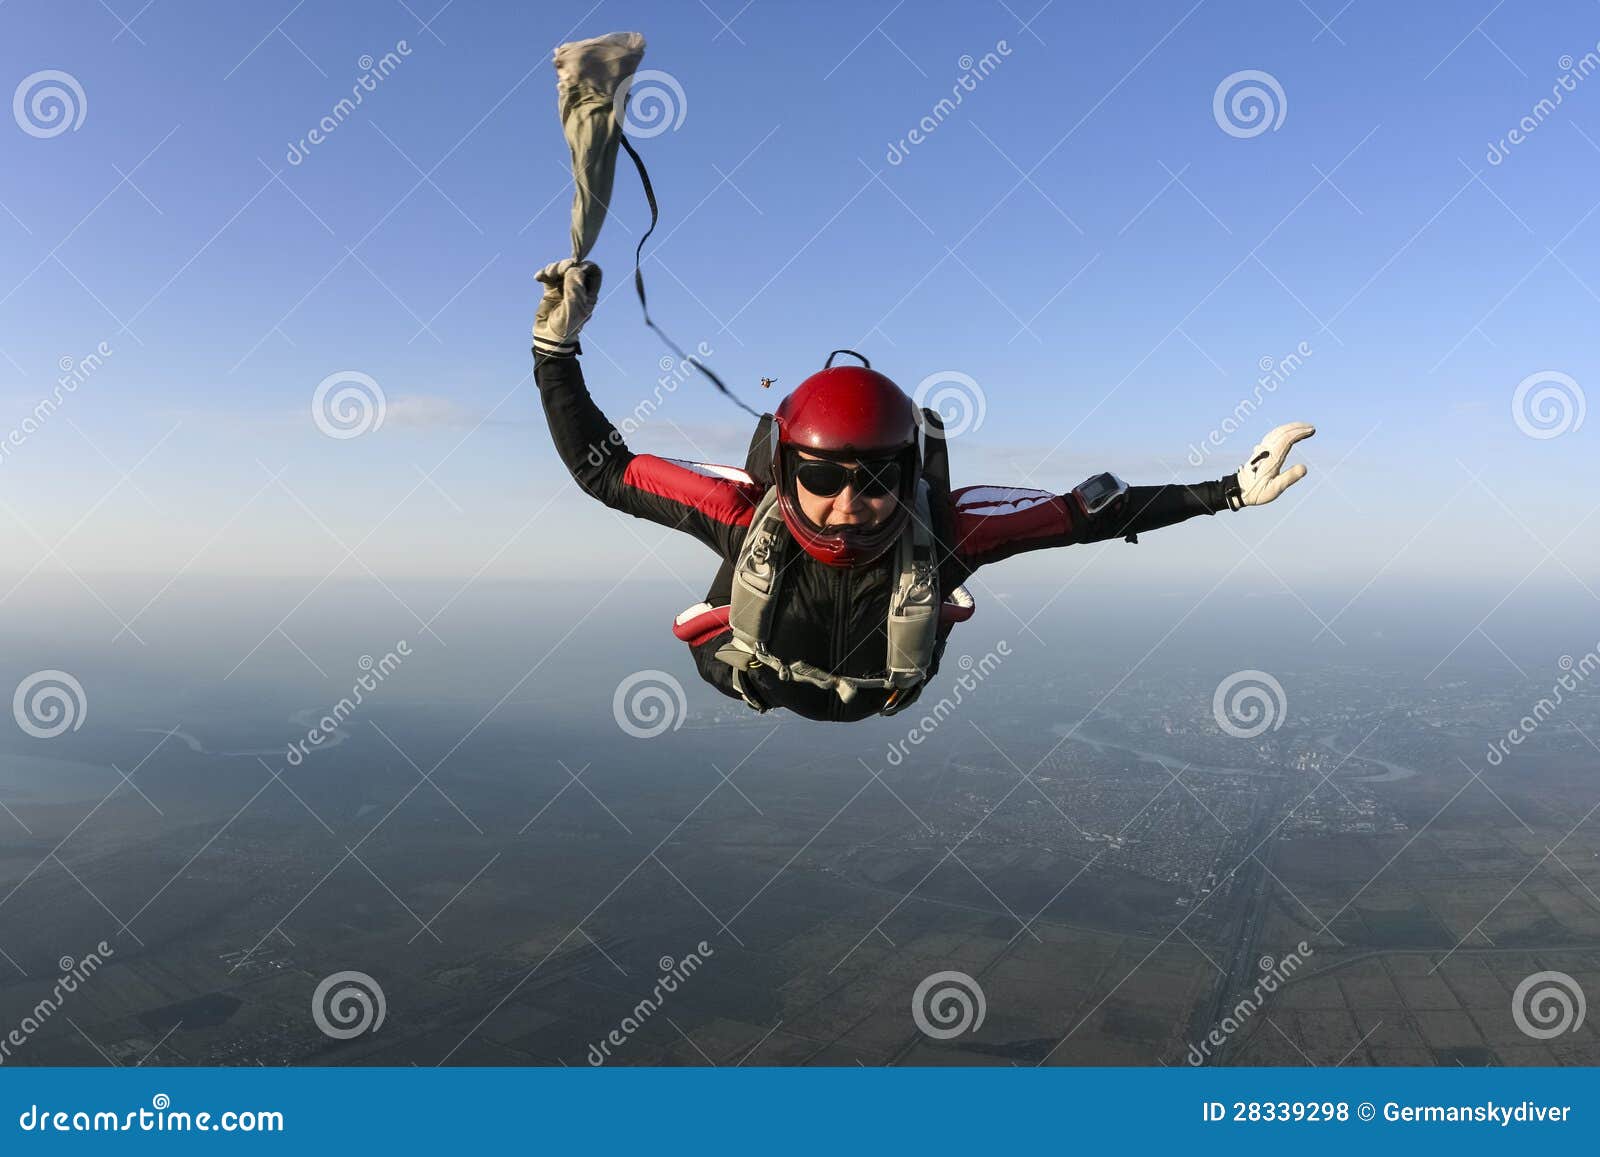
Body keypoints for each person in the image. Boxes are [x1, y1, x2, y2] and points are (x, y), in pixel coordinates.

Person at [533, 258, 1315, 723]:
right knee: (767, 603)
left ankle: (910, 604)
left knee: (934, 578)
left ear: (909, 473)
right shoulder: (742, 515)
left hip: (871, 686)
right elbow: (606, 470)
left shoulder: (944, 531)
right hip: (765, 670)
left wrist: (1229, 490)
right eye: (820, 478)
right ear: (786, 471)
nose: (847, 504)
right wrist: (556, 349)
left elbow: (1090, 513)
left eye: (876, 479)